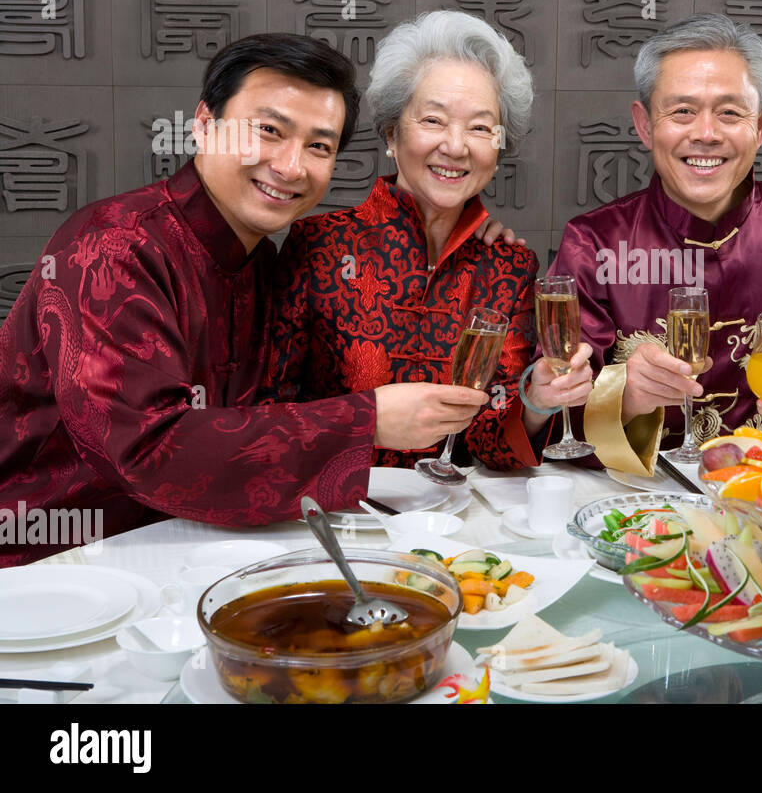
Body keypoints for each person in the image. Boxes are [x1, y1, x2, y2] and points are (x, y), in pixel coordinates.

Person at [0, 34, 494, 566]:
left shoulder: (260, 263)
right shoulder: (114, 246)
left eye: (318, 146)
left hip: (192, 549)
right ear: (205, 124)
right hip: (48, 558)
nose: (290, 166)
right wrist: (366, 419)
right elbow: (144, 450)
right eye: (268, 131)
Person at [267, 11, 592, 470]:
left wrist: (537, 401)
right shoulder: (318, 245)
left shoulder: (510, 265)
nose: (456, 147)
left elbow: (490, 447)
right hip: (336, 510)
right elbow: (269, 415)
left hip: (448, 524)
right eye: (433, 121)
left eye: (480, 128)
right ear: (391, 134)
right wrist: (366, 422)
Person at [551, 13, 762, 478]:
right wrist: (622, 393)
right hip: (631, 495)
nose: (706, 133)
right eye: (681, 111)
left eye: (730, 112)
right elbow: (553, 412)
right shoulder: (594, 242)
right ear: (644, 124)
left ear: (761, 125)